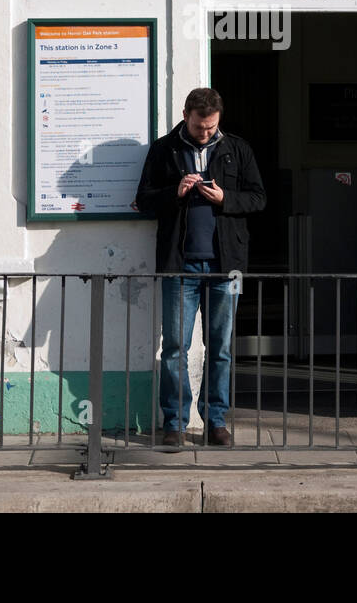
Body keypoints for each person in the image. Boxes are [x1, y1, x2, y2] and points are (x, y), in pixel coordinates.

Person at [133, 87, 266, 448]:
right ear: (185, 115)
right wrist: (174, 191)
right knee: (176, 346)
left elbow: (259, 198)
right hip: (180, 266)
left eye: (210, 127)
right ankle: (174, 422)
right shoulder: (165, 149)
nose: (204, 133)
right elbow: (142, 199)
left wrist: (226, 199)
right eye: (198, 126)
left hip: (226, 267)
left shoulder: (237, 149)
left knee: (220, 346)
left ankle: (216, 422)